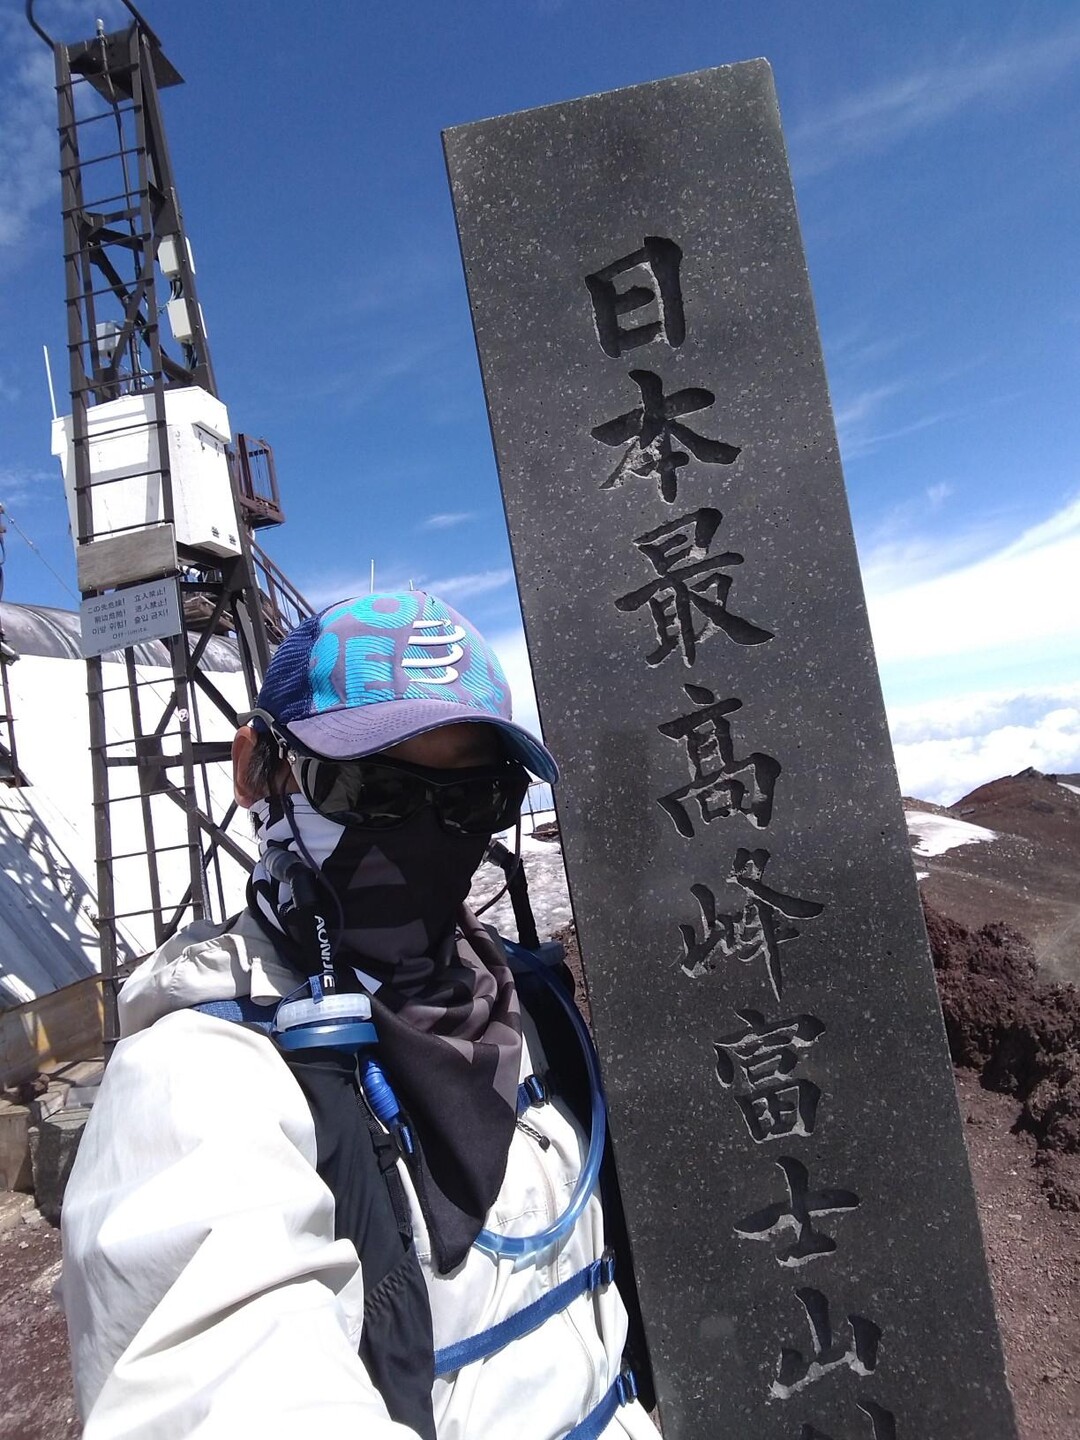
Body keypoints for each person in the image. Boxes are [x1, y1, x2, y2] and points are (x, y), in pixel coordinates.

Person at [61, 590, 658, 1439]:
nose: (424, 832)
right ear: (256, 771)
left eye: (473, 799)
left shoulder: (532, 1004)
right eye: (368, 787)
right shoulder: (201, 1081)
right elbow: (214, 1378)